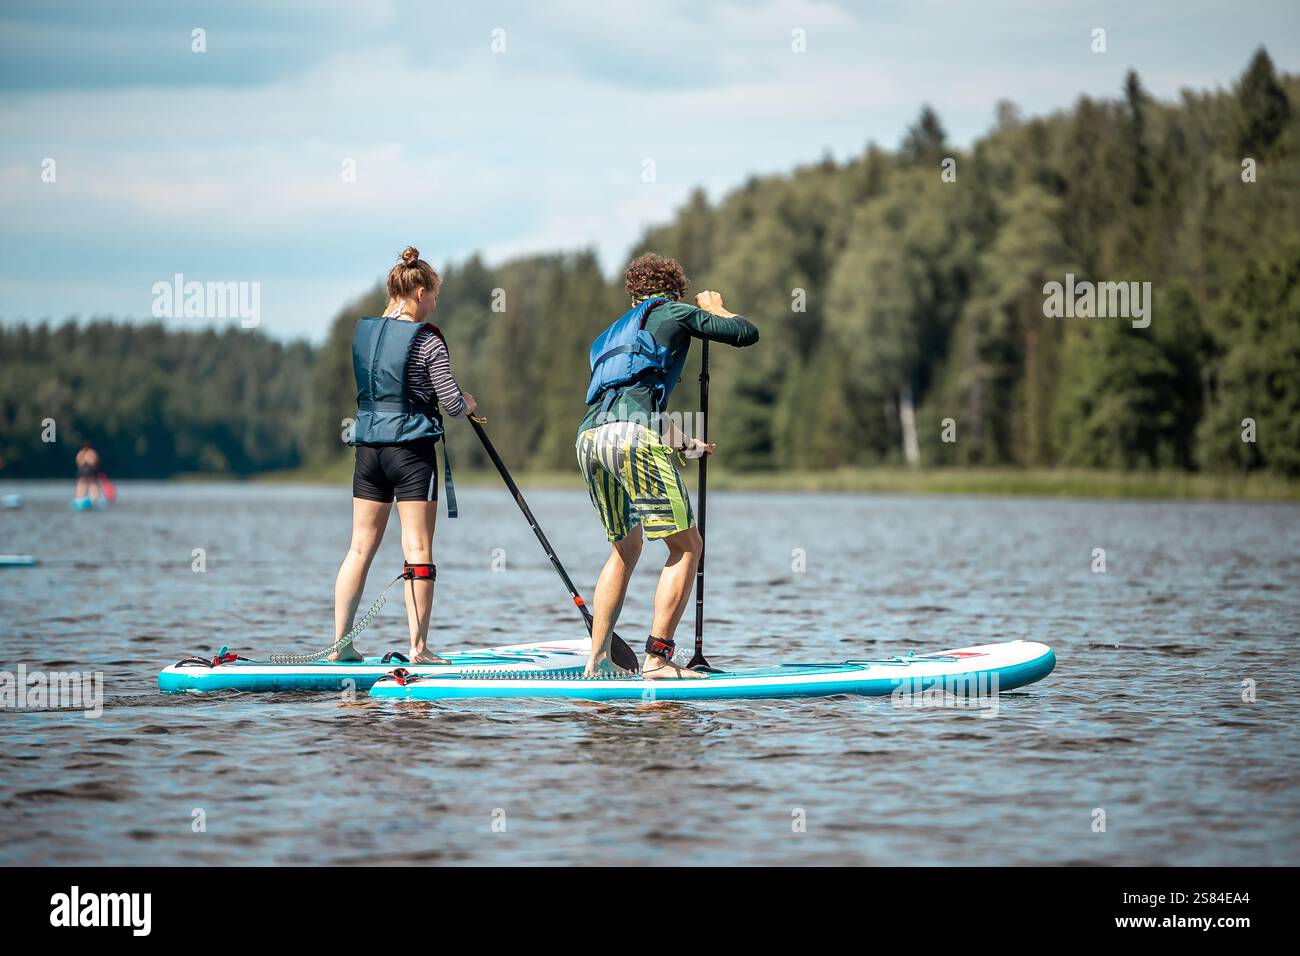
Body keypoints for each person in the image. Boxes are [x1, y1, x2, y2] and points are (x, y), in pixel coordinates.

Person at [577, 253, 758, 679]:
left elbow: (635, 397)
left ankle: (597, 659)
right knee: (687, 546)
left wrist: (685, 443)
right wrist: (715, 310)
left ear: (634, 293)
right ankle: (657, 660)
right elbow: (745, 333)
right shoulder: (676, 311)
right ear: (673, 289)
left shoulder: (607, 336)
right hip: (631, 438)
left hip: (589, 439)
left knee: (625, 547)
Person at [331, 246, 476, 664]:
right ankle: (418, 649)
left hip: (368, 453)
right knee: (417, 548)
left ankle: (341, 647)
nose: (433, 306)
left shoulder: (364, 333)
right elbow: (450, 402)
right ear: (417, 292)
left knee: (359, 549)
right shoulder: (426, 338)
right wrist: (467, 402)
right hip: (411, 454)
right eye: (432, 298)